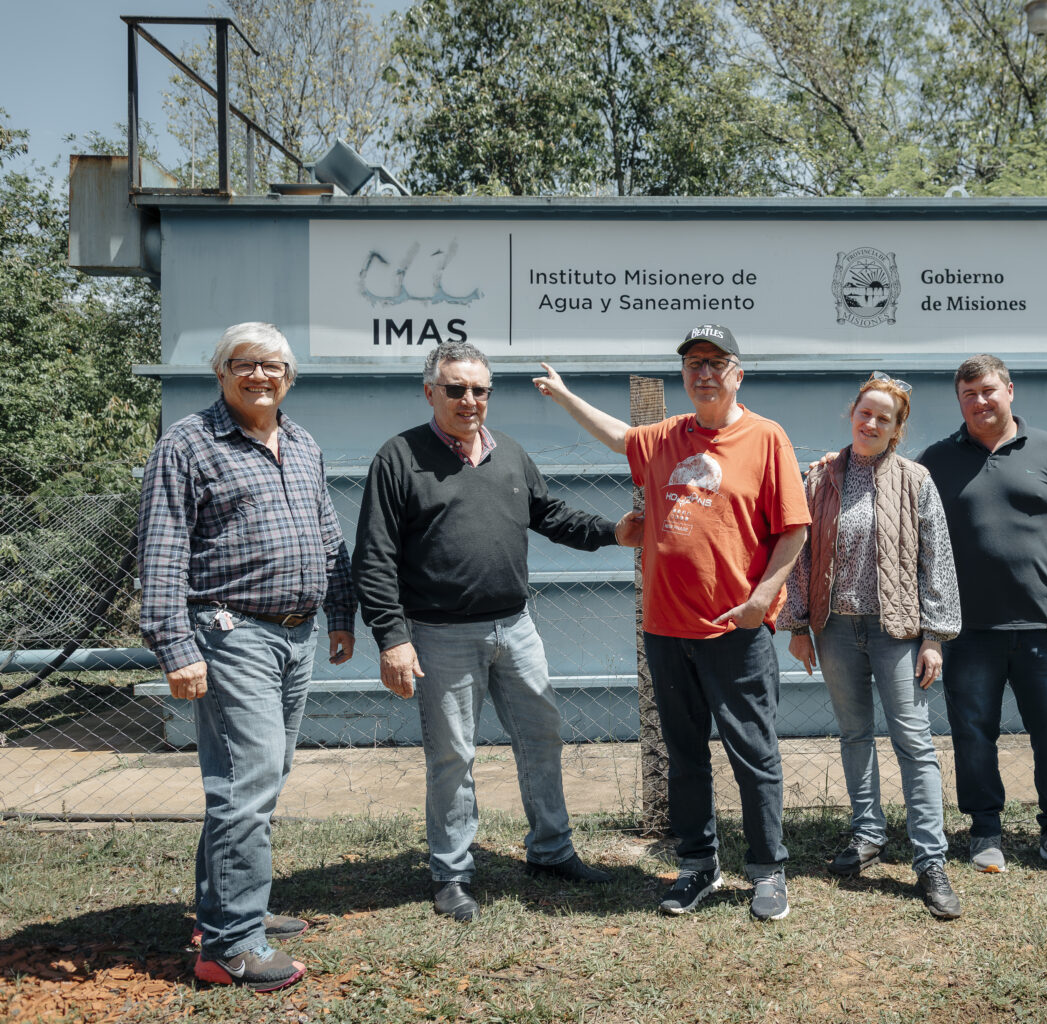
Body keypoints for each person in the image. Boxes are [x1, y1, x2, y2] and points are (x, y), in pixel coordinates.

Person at [353, 341, 641, 923]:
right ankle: (453, 873)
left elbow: (550, 515)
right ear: (429, 391)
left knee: (542, 740)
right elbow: (375, 557)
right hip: (438, 635)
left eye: (479, 389)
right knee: (453, 757)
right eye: (455, 388)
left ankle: (551, 851)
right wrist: (391, 636)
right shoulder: (398, 458)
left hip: (517, 627)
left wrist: (614, 532)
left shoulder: (507, 453)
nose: (469, 400)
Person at [532, 323, 810, 922]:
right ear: (685, 376)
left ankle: (767, 871)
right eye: (694, 364)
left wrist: (764, 599)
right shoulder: (665, 437)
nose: (704, 373)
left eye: (716, 362)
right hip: (666, 628)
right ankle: (695, 866)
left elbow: (794, 529)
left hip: (735, 630)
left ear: (738, 372)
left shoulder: (766, 438)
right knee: (685, 755)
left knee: (753, 754)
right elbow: (618, 436)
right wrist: (565, 395)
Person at [138, 322, 356, 992]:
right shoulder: (189, 444)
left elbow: (326, 532)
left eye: (273, 365)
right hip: (230, 634)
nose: (260, 376)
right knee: (246, 783)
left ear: (289, 375)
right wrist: (176, 645)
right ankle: (231, 949)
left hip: (297, 634)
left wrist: (341, 611)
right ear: (220, 372)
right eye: (245, 364)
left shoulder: (302, 443)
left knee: (257, 776)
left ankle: (226, 915)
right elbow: (163, 550)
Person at [779, 372, 964, 919]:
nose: (872, 422)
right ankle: (868, 834)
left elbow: (938, 560)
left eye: (885, 417)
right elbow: (799, 553)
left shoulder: (916, 480)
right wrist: (797, 626)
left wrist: (934, 636)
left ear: (897, 428)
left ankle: (931, 860)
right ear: (852, 413)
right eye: (866, 412)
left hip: (898, 631)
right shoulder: (820, 477)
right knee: (855, 734)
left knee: (913, 741)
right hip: (835, 629)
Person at [918, 355, 1047, 877]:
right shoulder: (936, 460)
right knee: (973, 732)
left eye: (989, 390)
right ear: (959, 401)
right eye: (969, 394)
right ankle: (984, 830)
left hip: (1046, 628)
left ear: (1010, 390)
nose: (980, 401)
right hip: (967, 630)